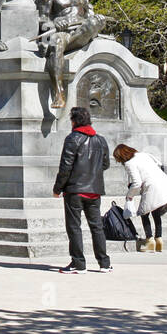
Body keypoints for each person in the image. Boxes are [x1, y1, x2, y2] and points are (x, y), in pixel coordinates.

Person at [52, 107, 111, 273]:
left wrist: (57, 188)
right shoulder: (101, 140)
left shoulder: (73, 139)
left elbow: (66, 167)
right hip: (94, 190)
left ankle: (78, 263)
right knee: (96, 226)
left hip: (75, 190)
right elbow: (105, 164)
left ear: (74, 121)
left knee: (74, 227)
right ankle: (104, 263)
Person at [115, 144, 167, 252]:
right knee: (156, 212)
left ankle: (150, 240)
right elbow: (162, 166)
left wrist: (129, 196)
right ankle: (159, 239)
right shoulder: (144, 155)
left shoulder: (129, 163)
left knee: (144, 213)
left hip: (150, 186)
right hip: (161, 183)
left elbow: (137, 182)